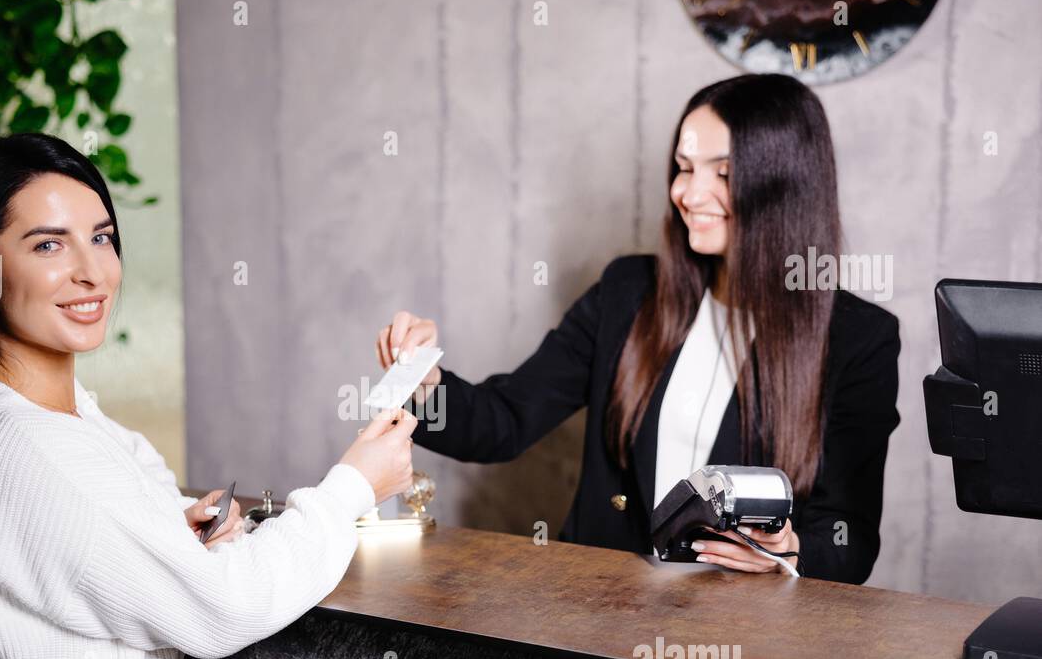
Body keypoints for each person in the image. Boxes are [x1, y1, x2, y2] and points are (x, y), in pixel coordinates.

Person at [0, 132, 416, 659]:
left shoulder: (26, 414)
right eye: (49, 246)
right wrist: (352, 487)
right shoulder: (36, 450)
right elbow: (223, 608)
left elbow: (85, 537)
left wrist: (168, 526)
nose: (93, 272)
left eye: (102, 237)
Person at [376, 74, 900, 585]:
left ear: (786, 184)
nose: (689, 193)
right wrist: (425, 382)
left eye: (722, 172)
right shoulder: (627, 292)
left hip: (744, 639)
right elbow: (504, 420)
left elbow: (848, 538)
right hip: (597, 615)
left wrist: (793, 550)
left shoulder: (859, 338)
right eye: (683, 168)